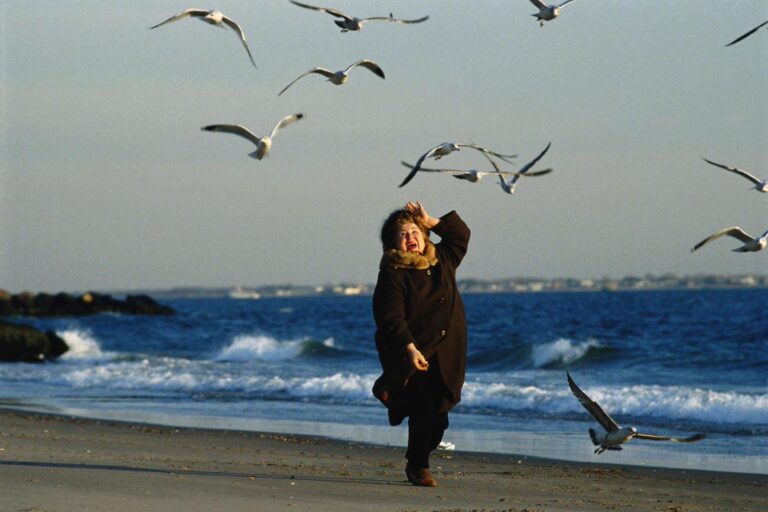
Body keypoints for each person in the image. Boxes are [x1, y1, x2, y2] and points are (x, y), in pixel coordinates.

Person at [371, 201, 470, 487]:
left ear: (423, 234)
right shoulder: (393, 272)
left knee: (439, 420)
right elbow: (391, 318)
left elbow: (460, 235)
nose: (410, 238)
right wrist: (409, 348)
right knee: (424, 406)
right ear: (394, 243)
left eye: (414, 231)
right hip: (413, 352)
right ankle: (418, 466)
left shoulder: (444, 259)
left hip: (448, 351)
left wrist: (432, 220)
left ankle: (392, 395)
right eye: (403, 234)